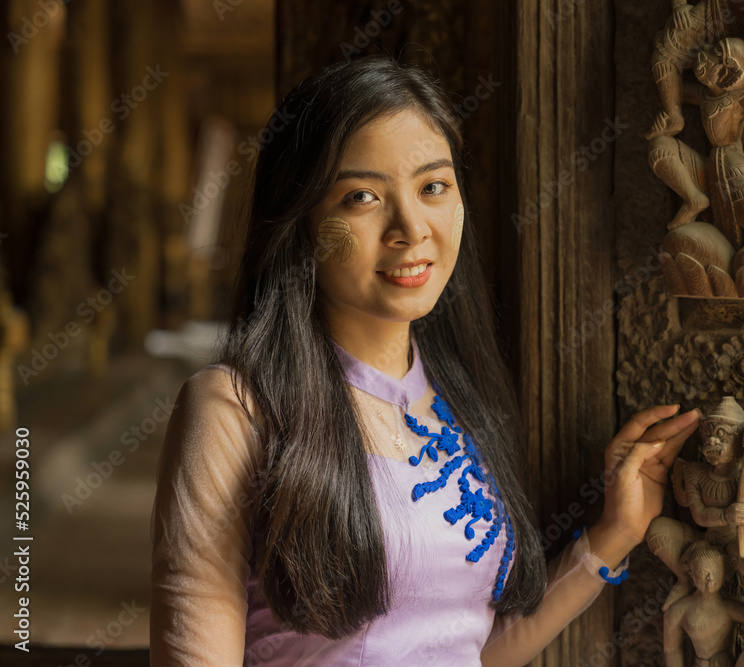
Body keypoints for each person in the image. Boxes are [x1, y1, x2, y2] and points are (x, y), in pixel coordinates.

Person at [148, 54, 701, 665]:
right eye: (361, 197)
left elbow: (470, 650)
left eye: (433, 187)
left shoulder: (459, 399)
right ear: (300, 222)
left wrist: (614, 533)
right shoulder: (237, 410)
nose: (410, 228)